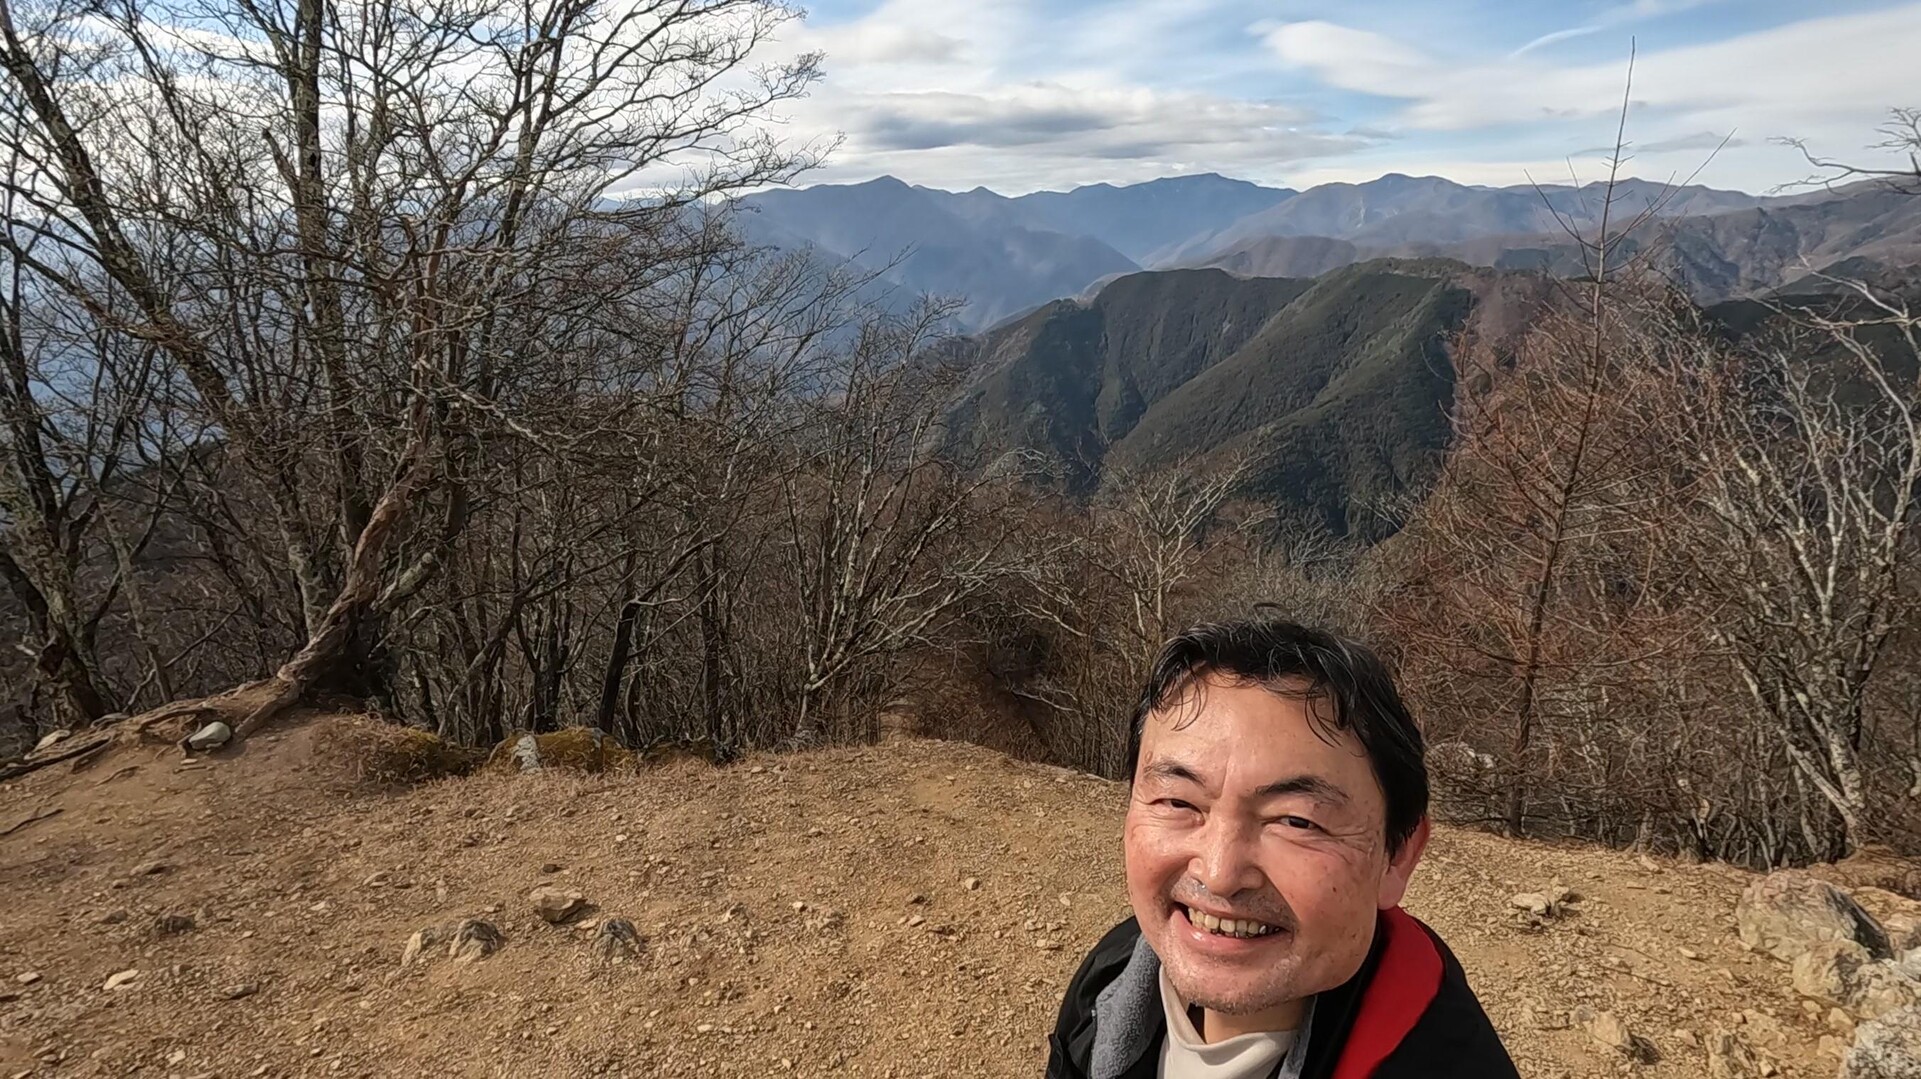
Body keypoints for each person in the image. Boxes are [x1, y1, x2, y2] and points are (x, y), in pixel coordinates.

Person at [1045, 619, 1517, 1079]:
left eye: (1295, 820)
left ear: (1397, 856)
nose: (1219, 873)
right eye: (1178, 801)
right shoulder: (1115, 974)